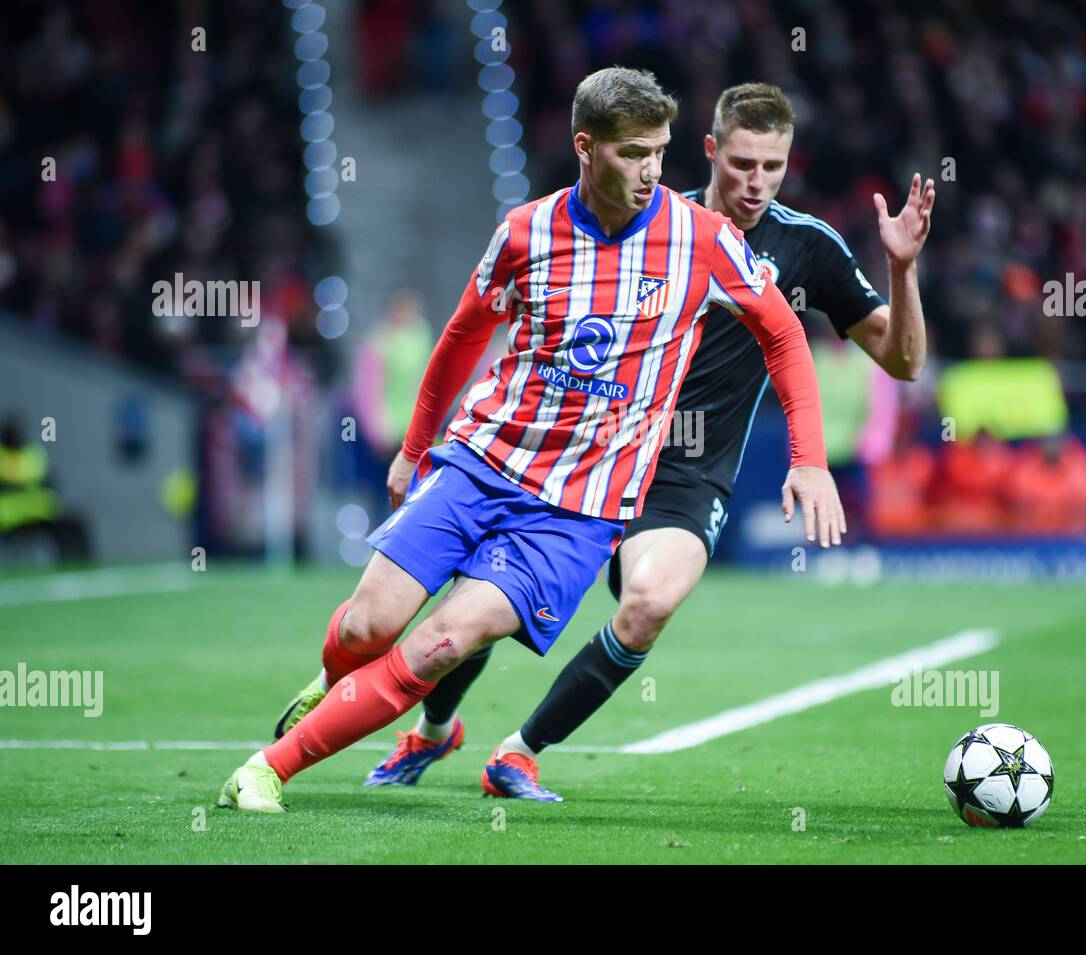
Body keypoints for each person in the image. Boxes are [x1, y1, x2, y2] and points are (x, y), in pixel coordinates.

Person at [218, 67, 845, 812]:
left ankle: (266, 768)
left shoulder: (700, 240)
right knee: (365, 625)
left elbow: (784, 335)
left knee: (443, 643)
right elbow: (461, 337)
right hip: (481, 463)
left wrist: (808, 459)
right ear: (586, 147)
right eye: (632, 153)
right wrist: (415, 448)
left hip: (576, 511)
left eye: (660, 152)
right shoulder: (526, 231)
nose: (652, 172)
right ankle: (333, 681)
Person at [363, 83, 934, 800]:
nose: (756, 183)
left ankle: (521, 751)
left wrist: (903, 270)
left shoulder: (805, 247)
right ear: (709, 151)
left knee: (650, 601)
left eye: (773, 167)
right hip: (590, 455)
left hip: (684, 474)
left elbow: (903, 361)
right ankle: (434, 728)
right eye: (742, 164)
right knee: (485, 602)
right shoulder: (657, 220)